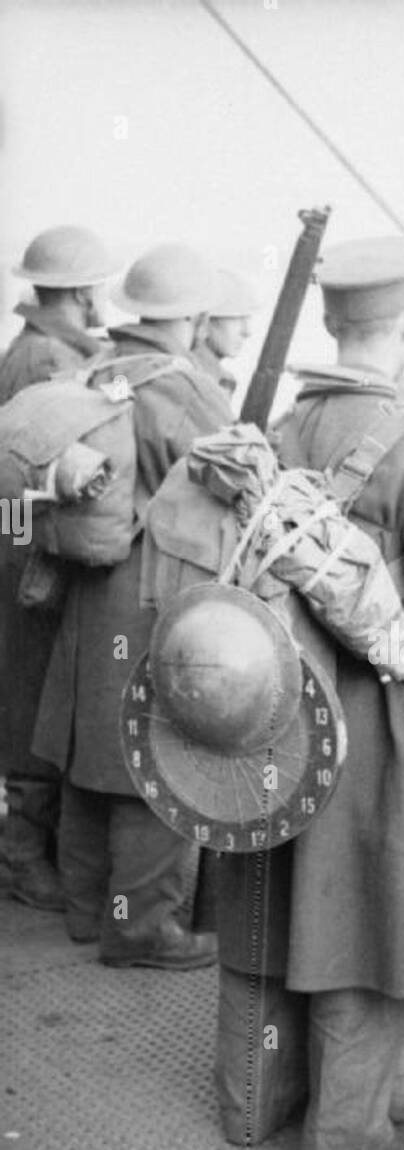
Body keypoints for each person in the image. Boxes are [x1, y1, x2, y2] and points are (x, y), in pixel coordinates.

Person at [192, 236, 404, 1150]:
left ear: (332, 325)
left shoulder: (271, 433)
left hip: (265, 710)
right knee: (376, 914)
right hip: (381, 724)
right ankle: (355, 1129)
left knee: (272, 895)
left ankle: (252, 1104)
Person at [31, 243, 233, 965]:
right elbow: (234, 483)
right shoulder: (182, 387)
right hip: (150, 595)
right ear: (198, 317)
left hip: (87, 588)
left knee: (91, 753)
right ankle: (141, 927)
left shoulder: (100, 367)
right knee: (156, 758)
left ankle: (88, 909)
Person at [0, 225, 114, 912]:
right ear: (79, 292)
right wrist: (23, 552)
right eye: (99, 287)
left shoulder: (41, 350)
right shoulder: (44, 361)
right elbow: (19, 476)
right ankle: (19, 856)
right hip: (24, 561)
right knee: (29, 701)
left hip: (18, 548)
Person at [192, 268, 260, 395]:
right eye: (236, 319)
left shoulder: (223, 380)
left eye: (247, 318)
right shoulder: (188, 379)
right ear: (204, 323)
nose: (247, 331)